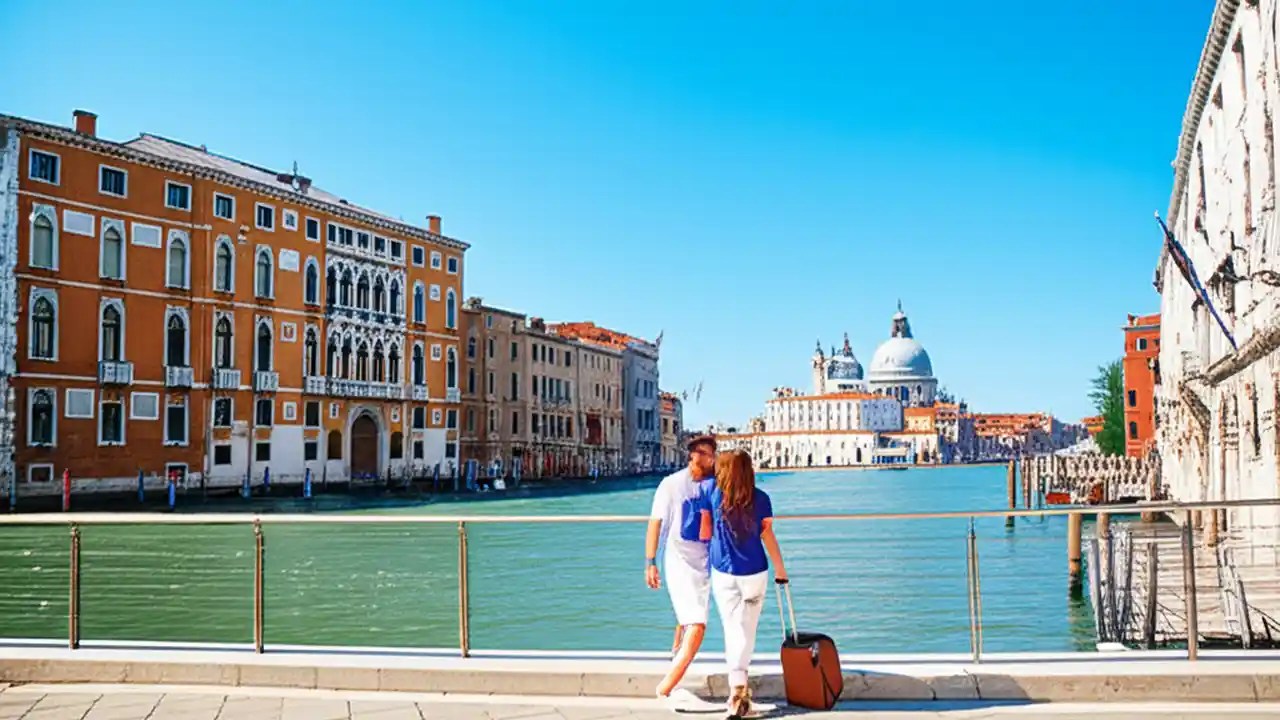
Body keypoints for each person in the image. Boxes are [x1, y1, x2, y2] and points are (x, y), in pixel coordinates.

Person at [698, 449, 787, 719]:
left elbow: (704, 534)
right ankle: (739, 691)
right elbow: (767, 535)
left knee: (732, 629)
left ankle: (737, 691)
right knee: (746, 630)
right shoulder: (761, 499)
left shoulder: (712, 495)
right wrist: (781, 569)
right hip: (755, 571)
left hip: (724, 573)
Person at [645, 434, 718, 705]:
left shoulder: (715, 484)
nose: (711, 459)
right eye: (706, 454)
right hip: (679, 562)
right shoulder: (672, 484)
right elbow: (656, 522)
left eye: (713, 454)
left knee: (686, 618)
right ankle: (666, 687)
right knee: (697, 624)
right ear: (693, 455)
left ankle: (674, 659)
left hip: (708, 563)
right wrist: (650, 561)